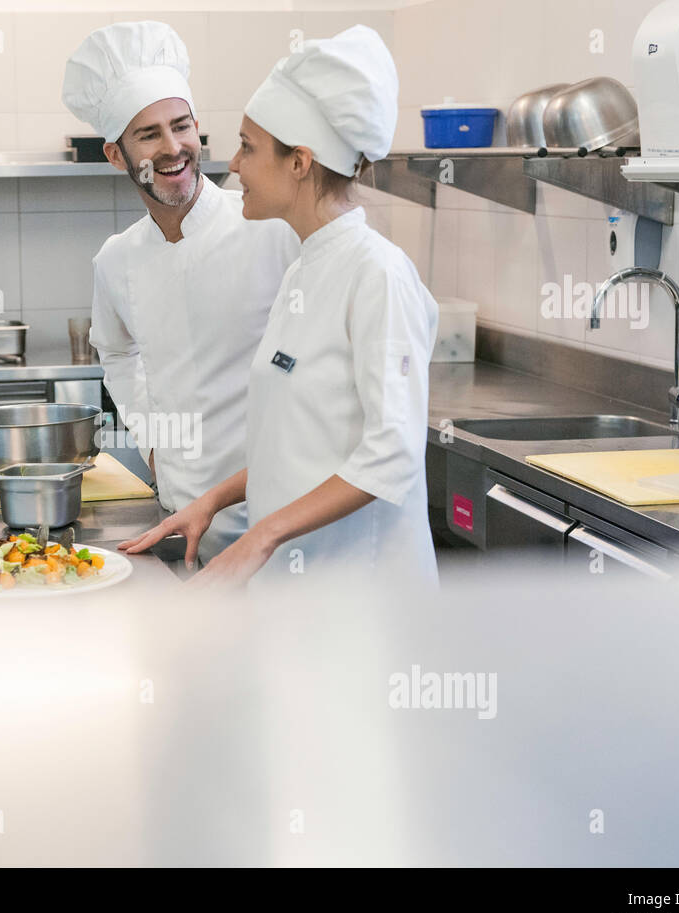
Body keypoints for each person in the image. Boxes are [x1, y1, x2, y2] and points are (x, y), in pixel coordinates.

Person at [120, 25, 440, 588]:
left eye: (248, 147)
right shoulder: (303, 269)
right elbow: (297, 444)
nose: (235, 168)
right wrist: (213, 501)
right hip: (301, 591)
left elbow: (392, 453)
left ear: (300, 161)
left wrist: (259, 538)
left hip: (361, 598)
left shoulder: (377, 274)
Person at [62, 21, 299, 566]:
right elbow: (118, 354)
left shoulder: (268, 228)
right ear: (116, 155)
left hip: (281, 523)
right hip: (179, 519)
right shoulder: (117, 259)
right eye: (149, 135)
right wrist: (150, 442)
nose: (173, 149)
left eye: (182, 126)